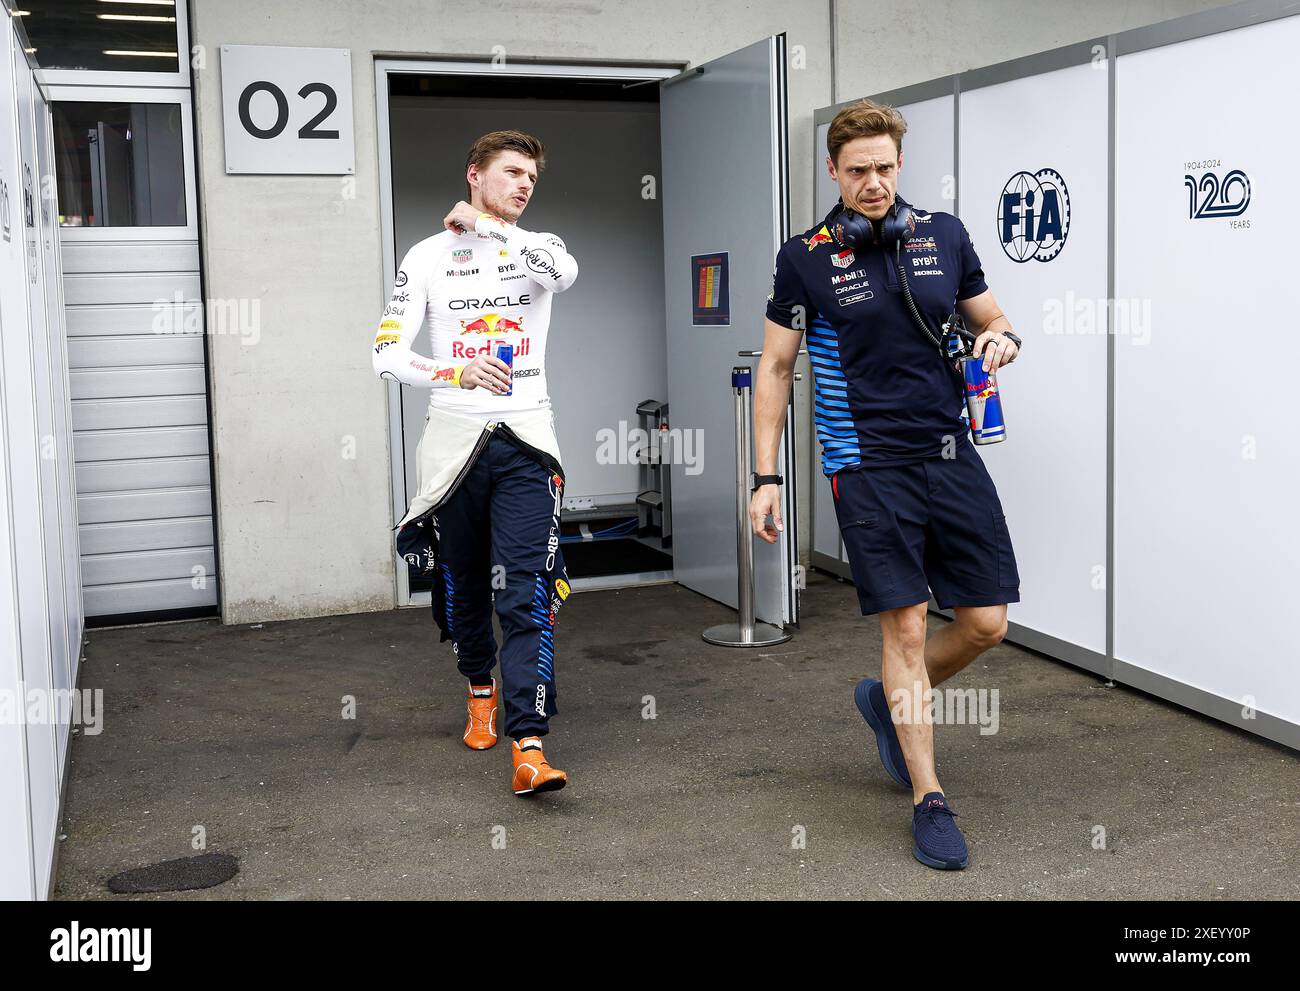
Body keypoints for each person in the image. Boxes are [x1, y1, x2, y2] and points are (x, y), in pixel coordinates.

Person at [749, 99, 1022, 868]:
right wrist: (764, 475)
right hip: (863, 463)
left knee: (987, 622)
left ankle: (885, 700)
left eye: (885, 168)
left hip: (950, 452)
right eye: (858, 170)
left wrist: (999, 341)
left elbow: (992, 318)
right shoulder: (803, 256)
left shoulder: (943, 235)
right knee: (903, 628)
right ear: (833, 172)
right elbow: (774, 368)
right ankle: (929, 796)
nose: (874, 183)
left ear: (901, 165)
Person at [372, 130, 578, 796]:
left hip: (527, 443)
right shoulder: (428, 256)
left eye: (532, 179)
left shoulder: (538, 249)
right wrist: (456, 370)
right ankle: (480, 690)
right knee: (464, 587)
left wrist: (491, 229)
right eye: (511, 173)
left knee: (527, 593)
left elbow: (564, 275)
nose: (524, 185)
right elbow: (387, 355)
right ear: (474, 173)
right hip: (454, 443)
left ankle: (529, 741)